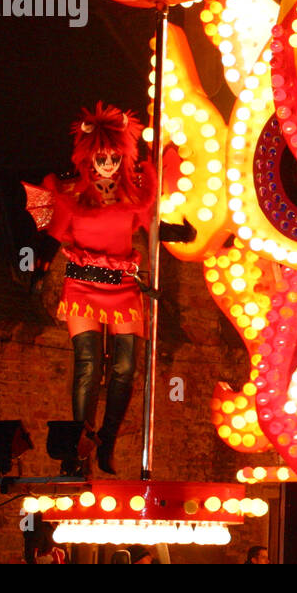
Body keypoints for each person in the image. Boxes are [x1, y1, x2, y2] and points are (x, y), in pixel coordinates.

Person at [37, 103, 193, 476]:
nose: (107, 164)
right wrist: (39, 269)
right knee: (88, 364)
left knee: (125, 367)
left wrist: (178, 233)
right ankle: (79, 444)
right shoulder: (70, 193)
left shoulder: (136, 194)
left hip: (123, 285)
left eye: (112, 157)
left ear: (122, 157)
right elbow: (52, 233)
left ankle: (106, 438)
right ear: (89, 158)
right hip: (81, 285)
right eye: (101, 158)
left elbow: (151, 227)